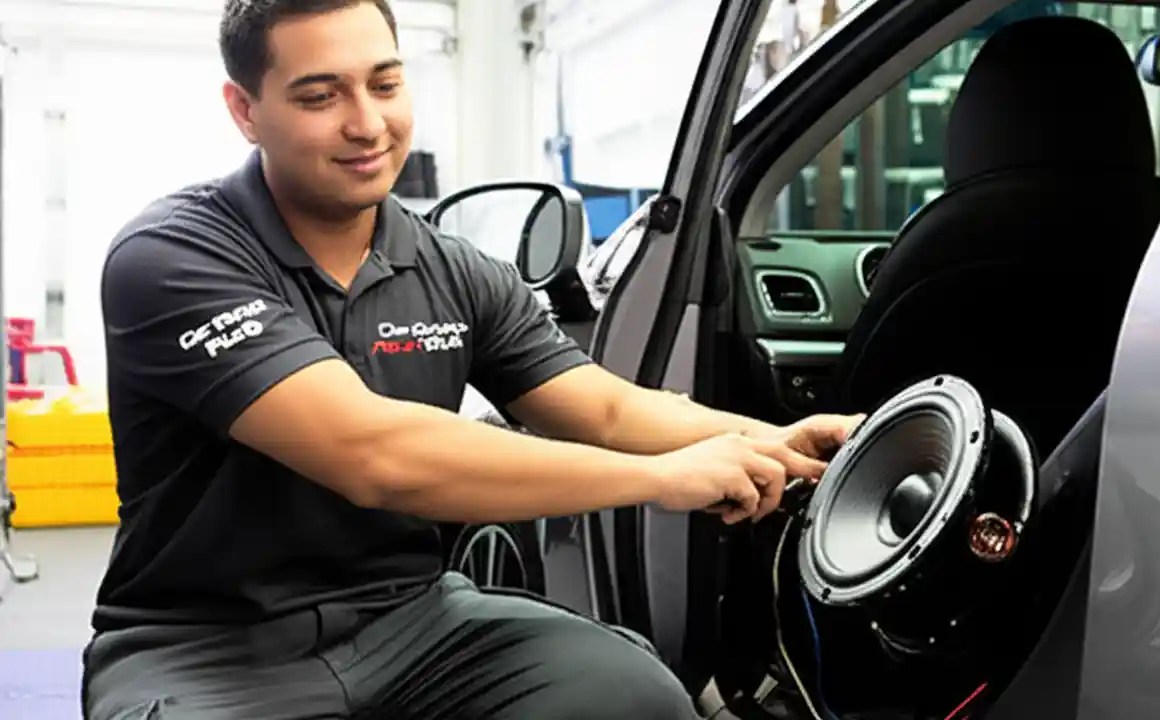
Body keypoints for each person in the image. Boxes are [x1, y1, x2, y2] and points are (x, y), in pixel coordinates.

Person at [80, 1, 863, 718]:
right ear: (245, 111)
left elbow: (607, 407)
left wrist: (770, 442)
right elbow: (374, 455)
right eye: (321, 97)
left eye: (385, 84)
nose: (367, 123)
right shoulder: (175, 256)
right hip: (202, 646)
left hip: (413, 620)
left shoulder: (453, 270)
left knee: (637, 696)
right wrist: (664, 480)